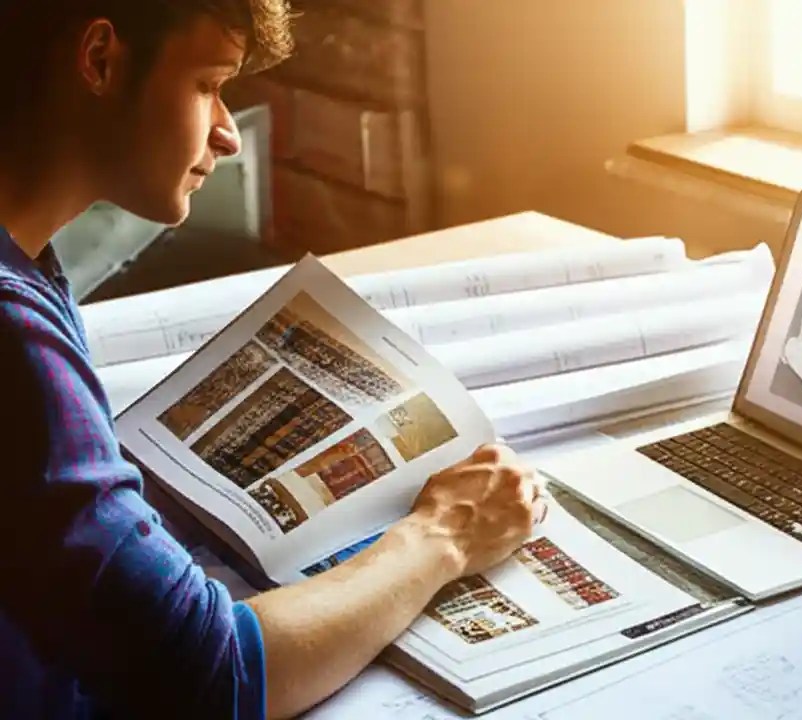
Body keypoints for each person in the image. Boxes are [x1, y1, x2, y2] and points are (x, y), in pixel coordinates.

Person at [0, 2, 547, 718]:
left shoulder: (28, 261)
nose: (227, 133)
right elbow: (213, 677)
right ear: (101, 59)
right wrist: (443, 534)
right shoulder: (13, 334)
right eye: (207, 84)